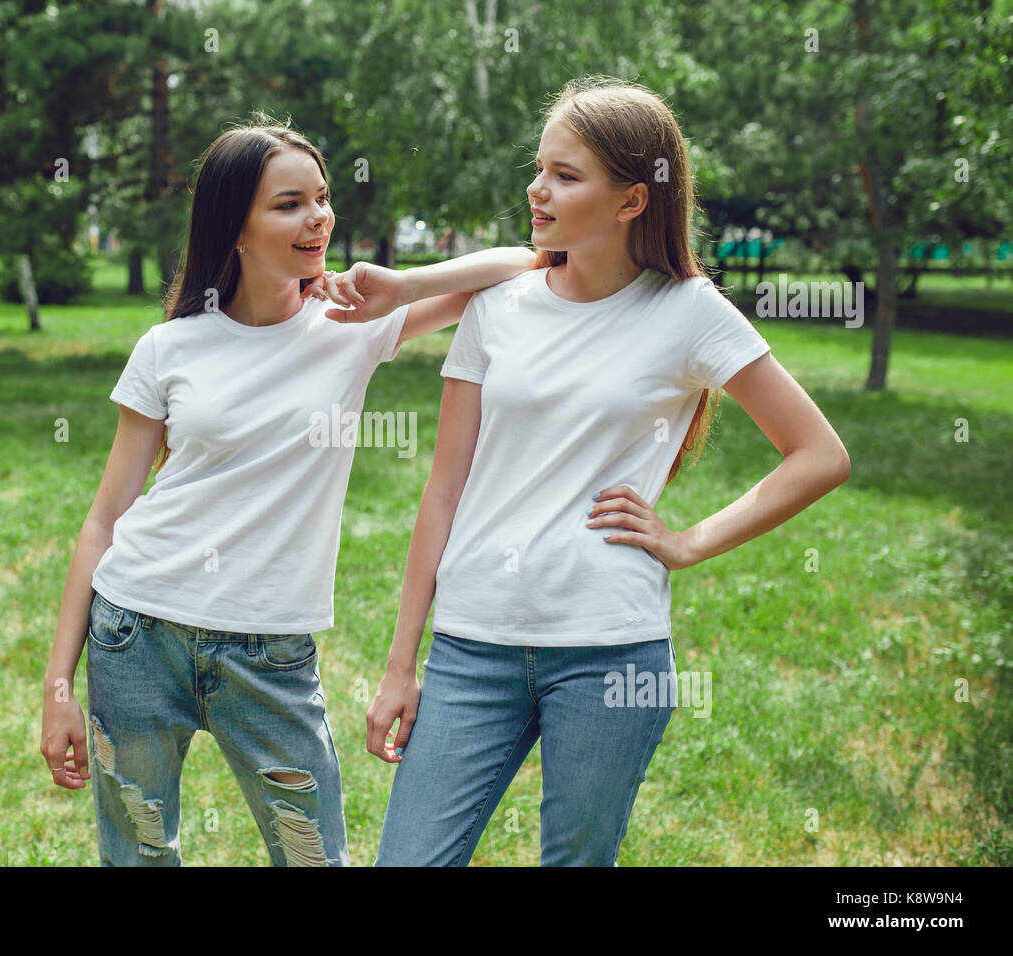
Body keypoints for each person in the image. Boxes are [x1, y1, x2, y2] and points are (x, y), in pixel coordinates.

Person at [363, 77, 852, 866]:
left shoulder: (690, 311)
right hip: (471, 643)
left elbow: (821, 454)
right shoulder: (499, 305)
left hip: (610, 652)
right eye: (539, 168)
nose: (537, 187)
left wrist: (689, 541)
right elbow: (443, 490)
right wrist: (398, 667)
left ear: (632, 200)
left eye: (565, 174)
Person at [38, 115, 537, 866]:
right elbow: (105, 519)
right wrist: (58, 690)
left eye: (323, 198)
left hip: (270, 653)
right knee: (138, 856)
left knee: (314, 857)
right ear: (233, 224)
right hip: (136, 635)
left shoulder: (351, 326)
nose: (318, 218)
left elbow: (526, 263)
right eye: (289, 203)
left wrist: (401, 285)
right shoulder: (168, 347)